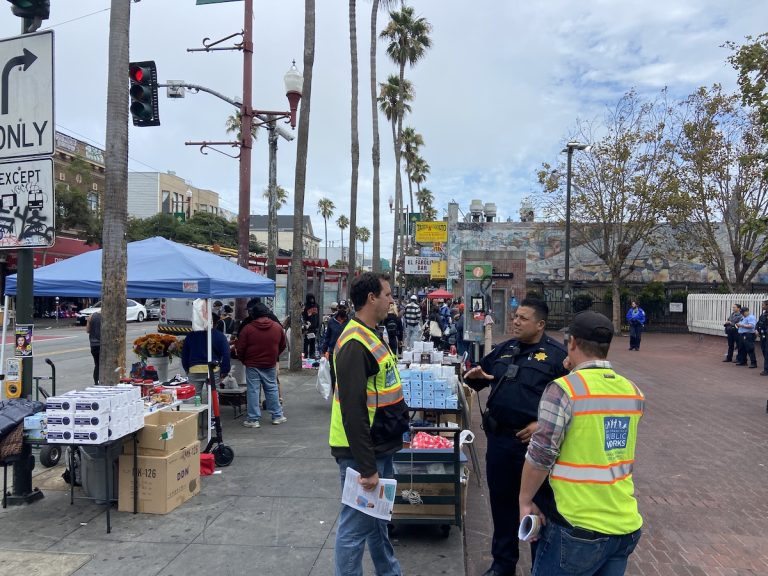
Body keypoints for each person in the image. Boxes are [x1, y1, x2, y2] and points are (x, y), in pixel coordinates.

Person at [519, 311, 644, 575]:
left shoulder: (564, 389)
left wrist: (525, 499)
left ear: (572, 342)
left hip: (578, 527)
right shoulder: (632, 391)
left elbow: (541, 453)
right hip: (624, 525)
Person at [463, 297, 568, 576]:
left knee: (537, 507)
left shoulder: (558, 357)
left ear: (540, 324)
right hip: (499, 442)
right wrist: (473, 375)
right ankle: (503, 564)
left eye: (523, 318)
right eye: (515, 316)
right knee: (501, 503)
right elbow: (478, 377)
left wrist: (542, 424)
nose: (516, 321)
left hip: (533, 447)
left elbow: (573, 401)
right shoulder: (504, 350)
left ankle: (539, 566)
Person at [330, 271, 408, 576]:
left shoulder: (371, 333)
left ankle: (389, 572)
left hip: (380, 446)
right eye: (387, 294)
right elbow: (353, 411)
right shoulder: (354, 342)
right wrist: (367, 466)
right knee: (354, 527)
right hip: (362, 452)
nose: (391, 300)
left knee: (377, 520)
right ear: (371, 298)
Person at [236, 302, 288, 428]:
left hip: (252, 364)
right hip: (269, 363)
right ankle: (277, 415)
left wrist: (244, 360)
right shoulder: (277, 327)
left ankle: (253, 419)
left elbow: (240, 348)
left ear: (253, 314)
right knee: (272, 388)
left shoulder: (247, 329)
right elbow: (282, 345)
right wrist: (274, 356)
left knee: (253, 390)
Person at [181, 324, 231, 404]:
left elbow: (184, 354)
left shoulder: (191, 335)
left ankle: (195, 415)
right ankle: (214, 415)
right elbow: (226, 354)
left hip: (194, 369)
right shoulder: (219, 336)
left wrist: (186, 368)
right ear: (215, 323)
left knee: (194, 396)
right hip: (213, 369)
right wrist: (224, 371)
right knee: (213, 395)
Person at [321, 300, 351, 391]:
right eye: (340, 308)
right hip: (333, 353)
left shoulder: (350, 322)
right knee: (334, 376)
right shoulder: (331, 321)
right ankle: (335, 396)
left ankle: (344, 397)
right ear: (337, 309)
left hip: (346, 353)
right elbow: (327, 337)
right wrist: (323, 351)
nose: (342, 310)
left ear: (348, 309)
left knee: (345, 376)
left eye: (344, 308)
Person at [302, 294, 320, 359]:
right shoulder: (305, 306)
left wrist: (317, 326)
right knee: (306, 342)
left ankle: (312, 354)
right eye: (310, 298)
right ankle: (305, 354)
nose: (312, 300)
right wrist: (305, 326)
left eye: (313, 298)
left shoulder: (317, 305)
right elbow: (304, 316)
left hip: (314, 327)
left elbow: (318, 316)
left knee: (313, 341)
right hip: (308, 327)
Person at [86, 310, 101, 385]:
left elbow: (88, 330)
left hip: (93, 345)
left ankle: (96, 382)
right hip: (103, 344)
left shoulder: (91, 316)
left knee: (97, 365)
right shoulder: (107, 316)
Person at [757, 301, 768, 375]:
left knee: (767, 353)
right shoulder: (763, 314)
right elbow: (759, 323)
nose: (762, 306)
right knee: (764, 351)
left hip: (767, 335)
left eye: (763, 305)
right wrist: (756, 330)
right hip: (762, 336)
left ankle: (766, 370)